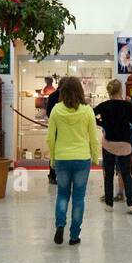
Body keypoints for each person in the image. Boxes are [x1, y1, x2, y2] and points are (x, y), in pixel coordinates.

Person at [47, 76, 100, 245]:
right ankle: (74, 235)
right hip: (82, 159)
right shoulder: (87, 111)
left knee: (62, 194)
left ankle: (60, 225)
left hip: (62, 158)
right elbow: (94, 138)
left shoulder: (56, 110)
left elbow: (50, 138)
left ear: (62, 91)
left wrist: (52, 158)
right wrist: (95, 156)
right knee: (78, 198)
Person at [94, 78, 132, 212]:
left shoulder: (103, 106)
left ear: (109, 91)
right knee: (126, 174)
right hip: (124, 144)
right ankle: (130, 204)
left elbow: (90, 115)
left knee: (109, 175)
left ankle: (109, 204)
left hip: (108, 144)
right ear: (121, 90)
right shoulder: (129, 106)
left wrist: (103, 124)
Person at [45, 82, 62, 184]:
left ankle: (56, 174)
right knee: (55, 152)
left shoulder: (66, 96)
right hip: (56, 128)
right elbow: (49, 113)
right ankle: (52, 174)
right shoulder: (53, 96)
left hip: (62, 128)